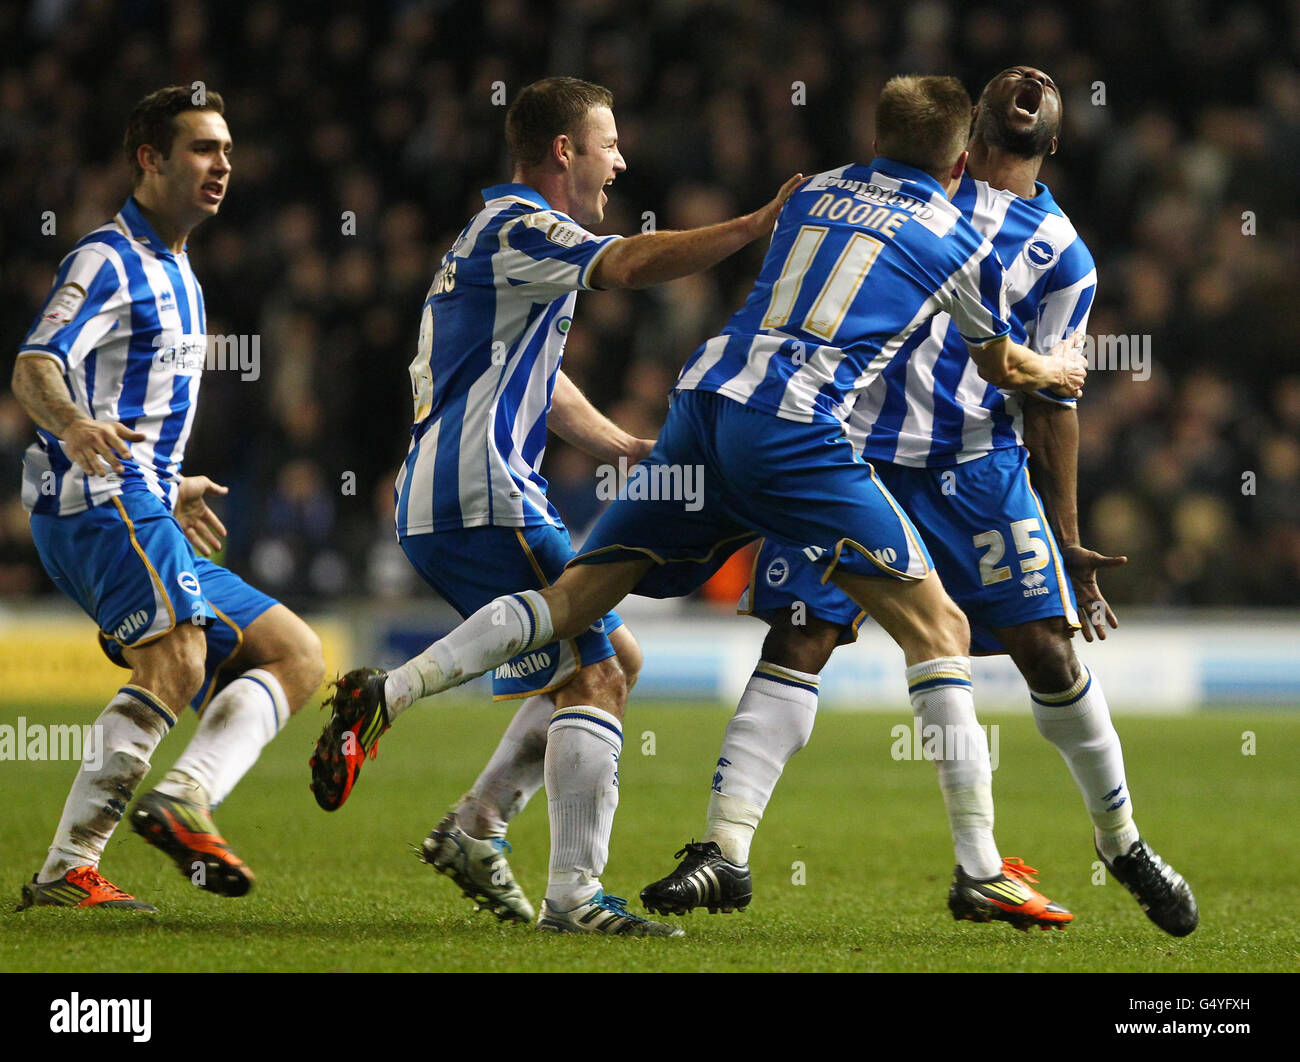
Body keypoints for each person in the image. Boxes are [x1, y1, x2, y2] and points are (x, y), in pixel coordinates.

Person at [315, 75, 1089, 930]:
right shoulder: (954, 238)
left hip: (705, 400)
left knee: (578, 601)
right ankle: (981, 867)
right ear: (957, 156)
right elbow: (1002, 365)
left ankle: (394, 694)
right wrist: (1055, 371)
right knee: (935, 628)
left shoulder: (817, 190)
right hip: (795, 428)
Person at [641, 67, 1197, 937]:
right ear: (966, 130)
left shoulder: (1065, 256)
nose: (1033, 80)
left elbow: (1054, 398)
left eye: (1043, 88)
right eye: (1008, 83)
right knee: (800, 634)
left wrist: (1069, 535)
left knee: (1048, 651)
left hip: (975, 467)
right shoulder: (902, 188)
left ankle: (1121, 841)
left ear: (1052, 141)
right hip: (848, 449)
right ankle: (727, 848)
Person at [308, 76, 802, 937]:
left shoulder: (489, 235)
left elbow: (530, 369)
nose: (622, 159)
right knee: (597, 675)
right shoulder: (528, 225)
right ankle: (568, 891)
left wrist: (615, 442)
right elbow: (629, 263)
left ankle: (477, 823)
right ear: (565, 151)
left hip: (445, 489)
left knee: (620, 657)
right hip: (483, 488)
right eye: (609, 142)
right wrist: (755, 226)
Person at [13, 86, 324, 912]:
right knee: (177, 658)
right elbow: (35, 364)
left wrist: (166, 482)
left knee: (296, 654)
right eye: (200, 149)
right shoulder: (105, 258)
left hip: (140, 495)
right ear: (150, 159)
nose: (222, 164)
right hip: (96, 497)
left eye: (226, 150)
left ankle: (184, 794)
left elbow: (134, 399)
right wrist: (76, 427)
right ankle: (68, 869)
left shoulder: (181, 270)